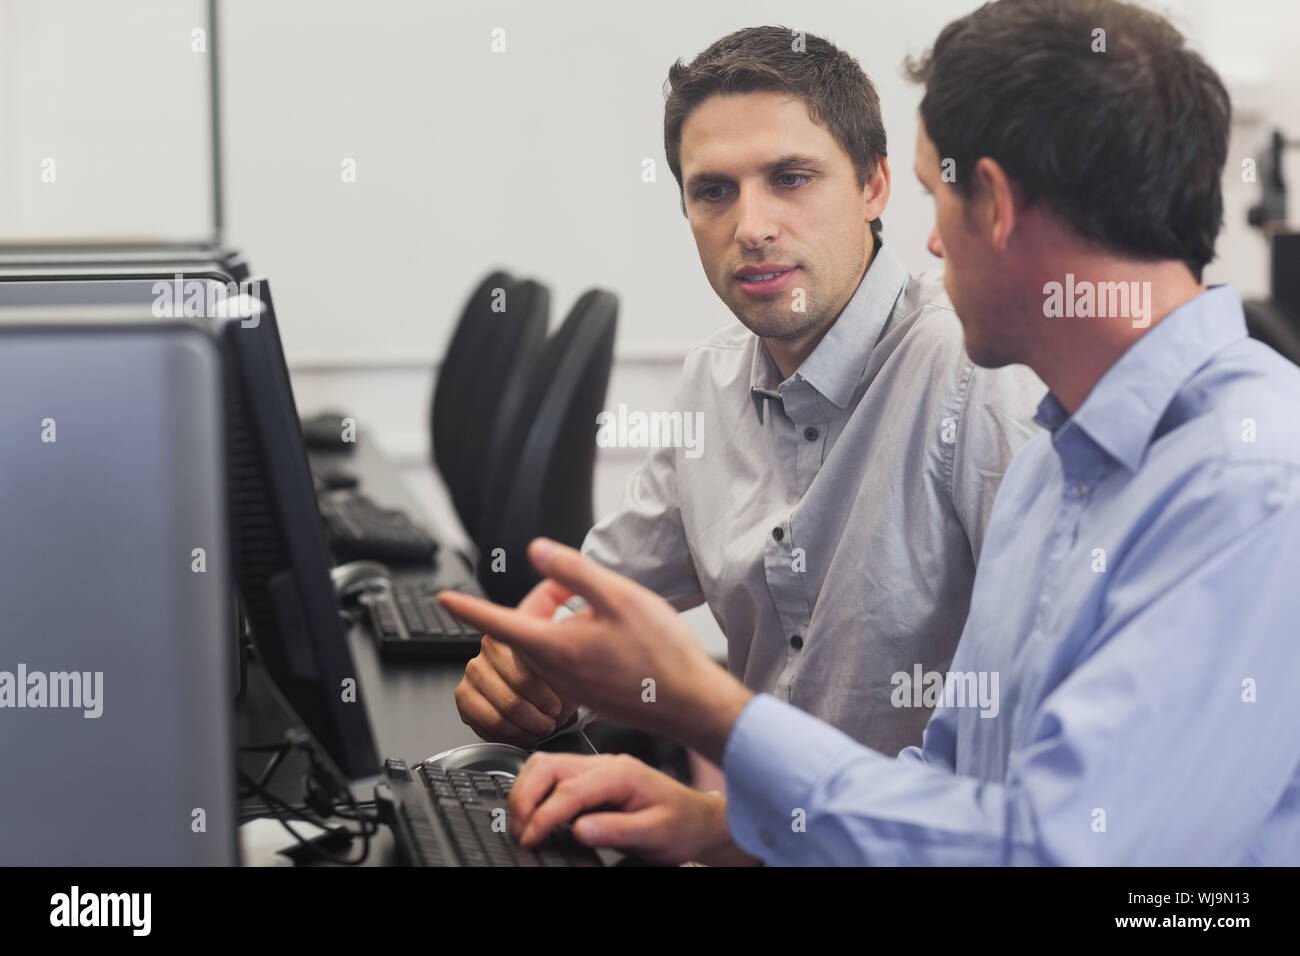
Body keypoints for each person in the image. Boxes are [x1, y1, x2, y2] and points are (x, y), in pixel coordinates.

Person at [440, 0, 1300, 865]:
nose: (928, 239)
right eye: (713, 190)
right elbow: (950, 792)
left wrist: (715, 714)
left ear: (990, 204)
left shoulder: (1254, 482)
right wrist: (714, 824)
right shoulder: (1062, 460)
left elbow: (1059, 856)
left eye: (936, 195)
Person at [456, 25, 1044, 759]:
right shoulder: (715, 379)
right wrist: (533, 672)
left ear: (874, 186)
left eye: (791, 178)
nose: (752, 227)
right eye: (713, 192)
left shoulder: (975, 372)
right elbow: (599, 603)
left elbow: (1037, 728)